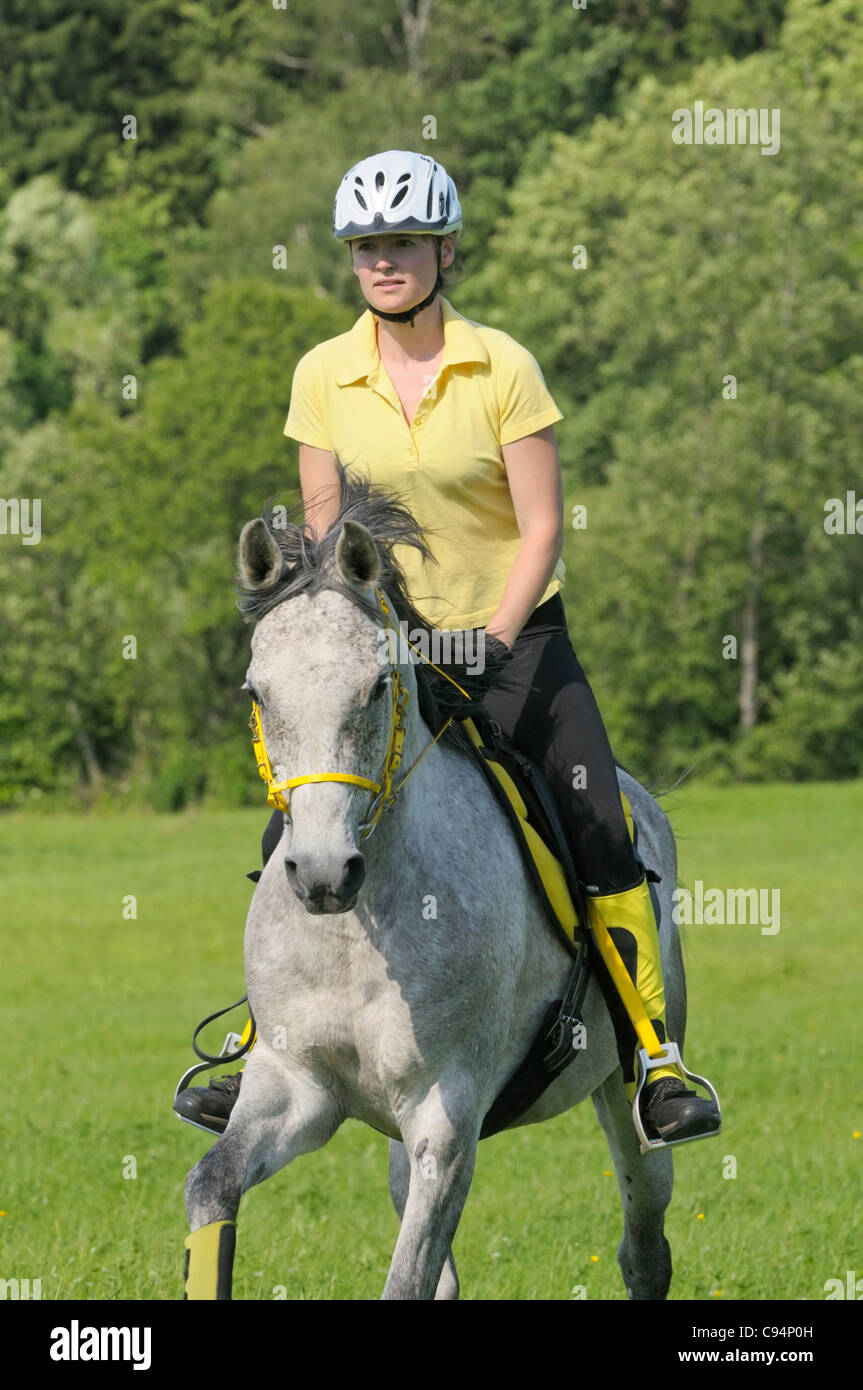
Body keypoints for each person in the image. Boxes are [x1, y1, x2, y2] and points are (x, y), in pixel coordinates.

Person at [174, 150, 719, 1146]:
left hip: (516, 648)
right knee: (295, 828)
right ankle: (262, 1035)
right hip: (390, 658)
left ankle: (654, 1057)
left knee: (599, 822)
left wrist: (492, 639)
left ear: (443, 250)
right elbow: (330, 547)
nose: (383, 261)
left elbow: (542, 527)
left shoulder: (501, 365)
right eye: (366, 246)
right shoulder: (321, 375)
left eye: (402, 244)